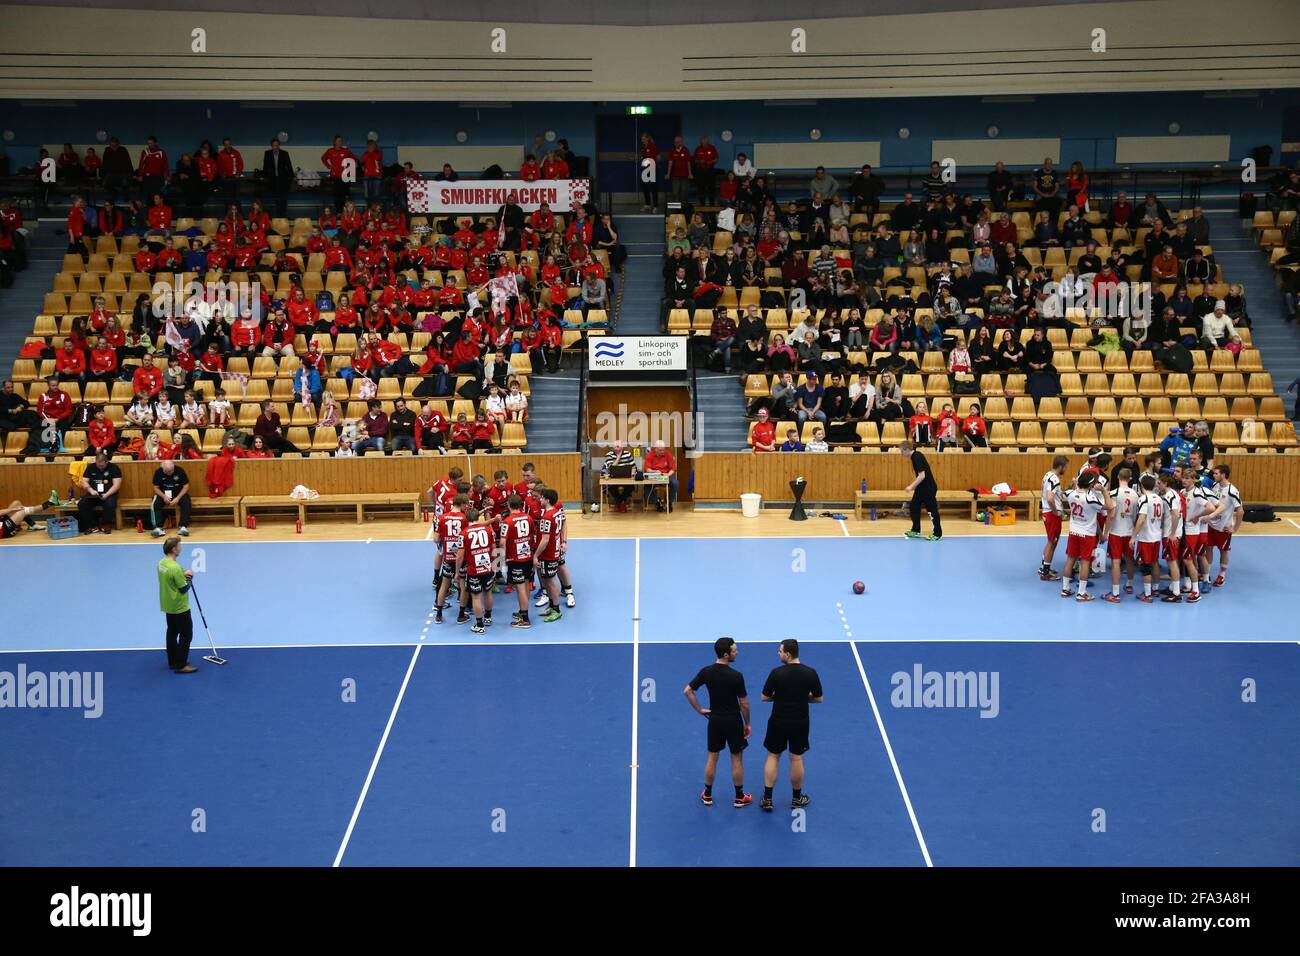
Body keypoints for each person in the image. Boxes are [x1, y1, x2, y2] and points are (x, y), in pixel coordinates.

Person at [684, 637, 753, 809]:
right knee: (736, 758)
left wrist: (700, 709)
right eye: (735, 650)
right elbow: (744, 703)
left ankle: (707, 794)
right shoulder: (737, 676)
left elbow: (688, 691)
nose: (737, 652)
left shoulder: (706, 672)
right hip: (733, 722)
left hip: (715, 721)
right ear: (725, 654)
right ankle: (739, 797)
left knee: (712, 757)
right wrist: (748, 724)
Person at [759, 639, 823, 812]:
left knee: (773, 756)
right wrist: (803, 697)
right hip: (800, 722)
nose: (778, 653)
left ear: (787, 654)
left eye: (780, 651)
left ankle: (767, 799)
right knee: (796, 758)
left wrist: (778, 697)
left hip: (778, 721)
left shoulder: (776, 673)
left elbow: (764, 697)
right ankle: (796, 799)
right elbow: (818, 698)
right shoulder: (810, 673)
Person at [1060, 471, 1113, 601]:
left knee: (1070, 559)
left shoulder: (1071, 494)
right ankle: (1081, 593)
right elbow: (1110, 507)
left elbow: (1063, 494)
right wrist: (1104, 491)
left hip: (1073, 532)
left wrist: (1073, 485)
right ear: (1091, 484)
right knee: (1085, 562)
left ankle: (1065, 589)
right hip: (1087, 534)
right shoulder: (1091, 499)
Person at [157, 536, 197, 674]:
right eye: (179, 546)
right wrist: (189, 577)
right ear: (174, 549)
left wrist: (182, 573)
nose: (181, 548)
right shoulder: (175, 568)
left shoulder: (162, 563)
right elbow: (184, 588)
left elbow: (173, 577)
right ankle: (181, 665)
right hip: (180, 607)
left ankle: (173, 661)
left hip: (168, 605)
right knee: (186, 635)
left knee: (172, 632)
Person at [455, 508, 497, 635]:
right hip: (488, 567)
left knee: (476, 597)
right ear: (478, 518)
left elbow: (460, 556)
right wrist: (493, 564)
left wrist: (457, 572)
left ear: (467, 519)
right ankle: (488, 617)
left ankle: (479, 625)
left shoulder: (464, 533)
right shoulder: (488, 530)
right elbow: (494, 549)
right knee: (488, 592)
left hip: (473, 569)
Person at [1102, 469, 1140, 603]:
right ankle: (1129, 585)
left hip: (1116, 532)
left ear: (1118, 477)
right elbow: (1137, 515)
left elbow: (1110, 515)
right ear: (1130, 478)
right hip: (1130, 532)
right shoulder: (1136, 494)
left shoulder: (1113, 493)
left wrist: (1105, 532)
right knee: (1130, 559)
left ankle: (1115, 593)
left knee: (1116, 562)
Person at [1205, 464, 1242, 587]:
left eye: (1216, 473)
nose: (1214, 475)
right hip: (1211, 525)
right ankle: (1206, 574)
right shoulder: (1215, 486)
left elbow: (1240, 511)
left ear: (1223, 475)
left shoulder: (1232, 490)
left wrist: (1235, 528)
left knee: (1223, 551)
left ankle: (1222, 575)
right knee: (1208, 548)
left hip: (1223, 527)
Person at [899, 440, 941, 541]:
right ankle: (916, 530)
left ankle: (937, 533)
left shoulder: (917, 457)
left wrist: (911, 487)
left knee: (932, 511)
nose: (901, 453)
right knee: (914, 506)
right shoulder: (915, 456)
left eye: (902, 451)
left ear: (907, 449)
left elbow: (922, 476)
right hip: (922, 488)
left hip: (928, 488)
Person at [78, 448, 123, 534]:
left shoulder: (114, 468)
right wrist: (91, 490)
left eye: (102, 466)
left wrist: (107, 494)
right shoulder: (91, 467)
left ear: (106, 462)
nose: (100, 467)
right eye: (98, 465)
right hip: (94, 493)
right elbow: (84, 481)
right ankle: (92, 525)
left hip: (109, 493)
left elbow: (117, 485)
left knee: (110, 504)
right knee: (82, 503)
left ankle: (105, 524)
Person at [1039, 455, 1068, 581]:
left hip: (1046, 512)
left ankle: (1043, 566)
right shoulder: (1055, 479)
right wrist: (1057, 512)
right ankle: (1046, 573)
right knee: (1052, 542)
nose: (1066, 470)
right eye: (1066, 467)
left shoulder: (1047, 475)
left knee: (1050, 541)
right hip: (1051, 514)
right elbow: (1051, 498)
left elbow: (1049, 494)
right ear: (1061, 466)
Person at [150, 459, 192, 537]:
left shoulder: (180, 471)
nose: (169, 473)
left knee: (186, 501)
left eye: (171, 471)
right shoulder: (158, 472)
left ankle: (182, 527)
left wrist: (178, 498)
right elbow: (155, 487)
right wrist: (163, 496)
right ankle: (158, 528)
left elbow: (186, 486)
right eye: (167, 472)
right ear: (163, 469)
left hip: (177, 494)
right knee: (155, 502)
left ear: (173, 467)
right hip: (163, 494)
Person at [643, 439, 677, 513]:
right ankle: (657, 502)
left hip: (666, 474)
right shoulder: (650, 455)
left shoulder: (667, 454)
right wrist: (654, 471)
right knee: (647, 486)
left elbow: (673, 469)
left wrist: (668, 475)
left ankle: (669, 503)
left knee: (675, 483)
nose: (662, 452)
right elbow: (647, 469)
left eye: (663, 450)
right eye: (660, 450)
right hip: (655, 475)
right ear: (655, 449)